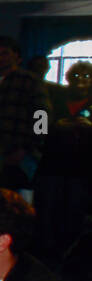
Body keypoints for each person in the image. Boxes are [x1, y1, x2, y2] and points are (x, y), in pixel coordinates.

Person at [33, 61, 91, 264]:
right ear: (67, 79)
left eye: (86, 76)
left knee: (75, 216)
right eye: (76, 76)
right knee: (47, 216)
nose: (81, 81)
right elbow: (37, 127)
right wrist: (54, 128)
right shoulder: (52, 99)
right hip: (52, 168)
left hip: (82, 173)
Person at [0, 35, 49, 191]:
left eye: (4, 53)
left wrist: (29, 147)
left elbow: (42, 116)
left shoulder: (30, 80)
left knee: (20, 203)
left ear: (16, 56)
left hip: (22, 154)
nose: (0, 58)